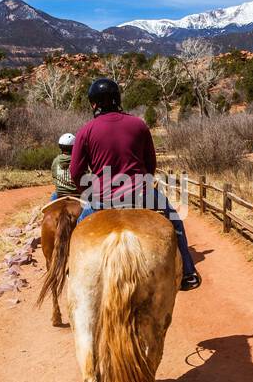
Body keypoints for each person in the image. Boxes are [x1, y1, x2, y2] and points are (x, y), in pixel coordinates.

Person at [69, 77, 201, 291]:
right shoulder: (138, 125)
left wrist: (88, 193)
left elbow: (76, 171)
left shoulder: (86, 131)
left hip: (103, 199)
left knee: (79, 231)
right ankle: (187, 272)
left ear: (93, 104)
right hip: (141, 195)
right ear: (117, 99)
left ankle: (72, 271)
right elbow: (150, 163)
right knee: (175, 220)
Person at [49, 132, 81, 201]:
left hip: (60, 194)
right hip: (78, 195)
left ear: (60, 146)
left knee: (53, 197)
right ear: (75, 147)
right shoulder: (79, 160)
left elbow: (54, 176)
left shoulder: (56, 161)